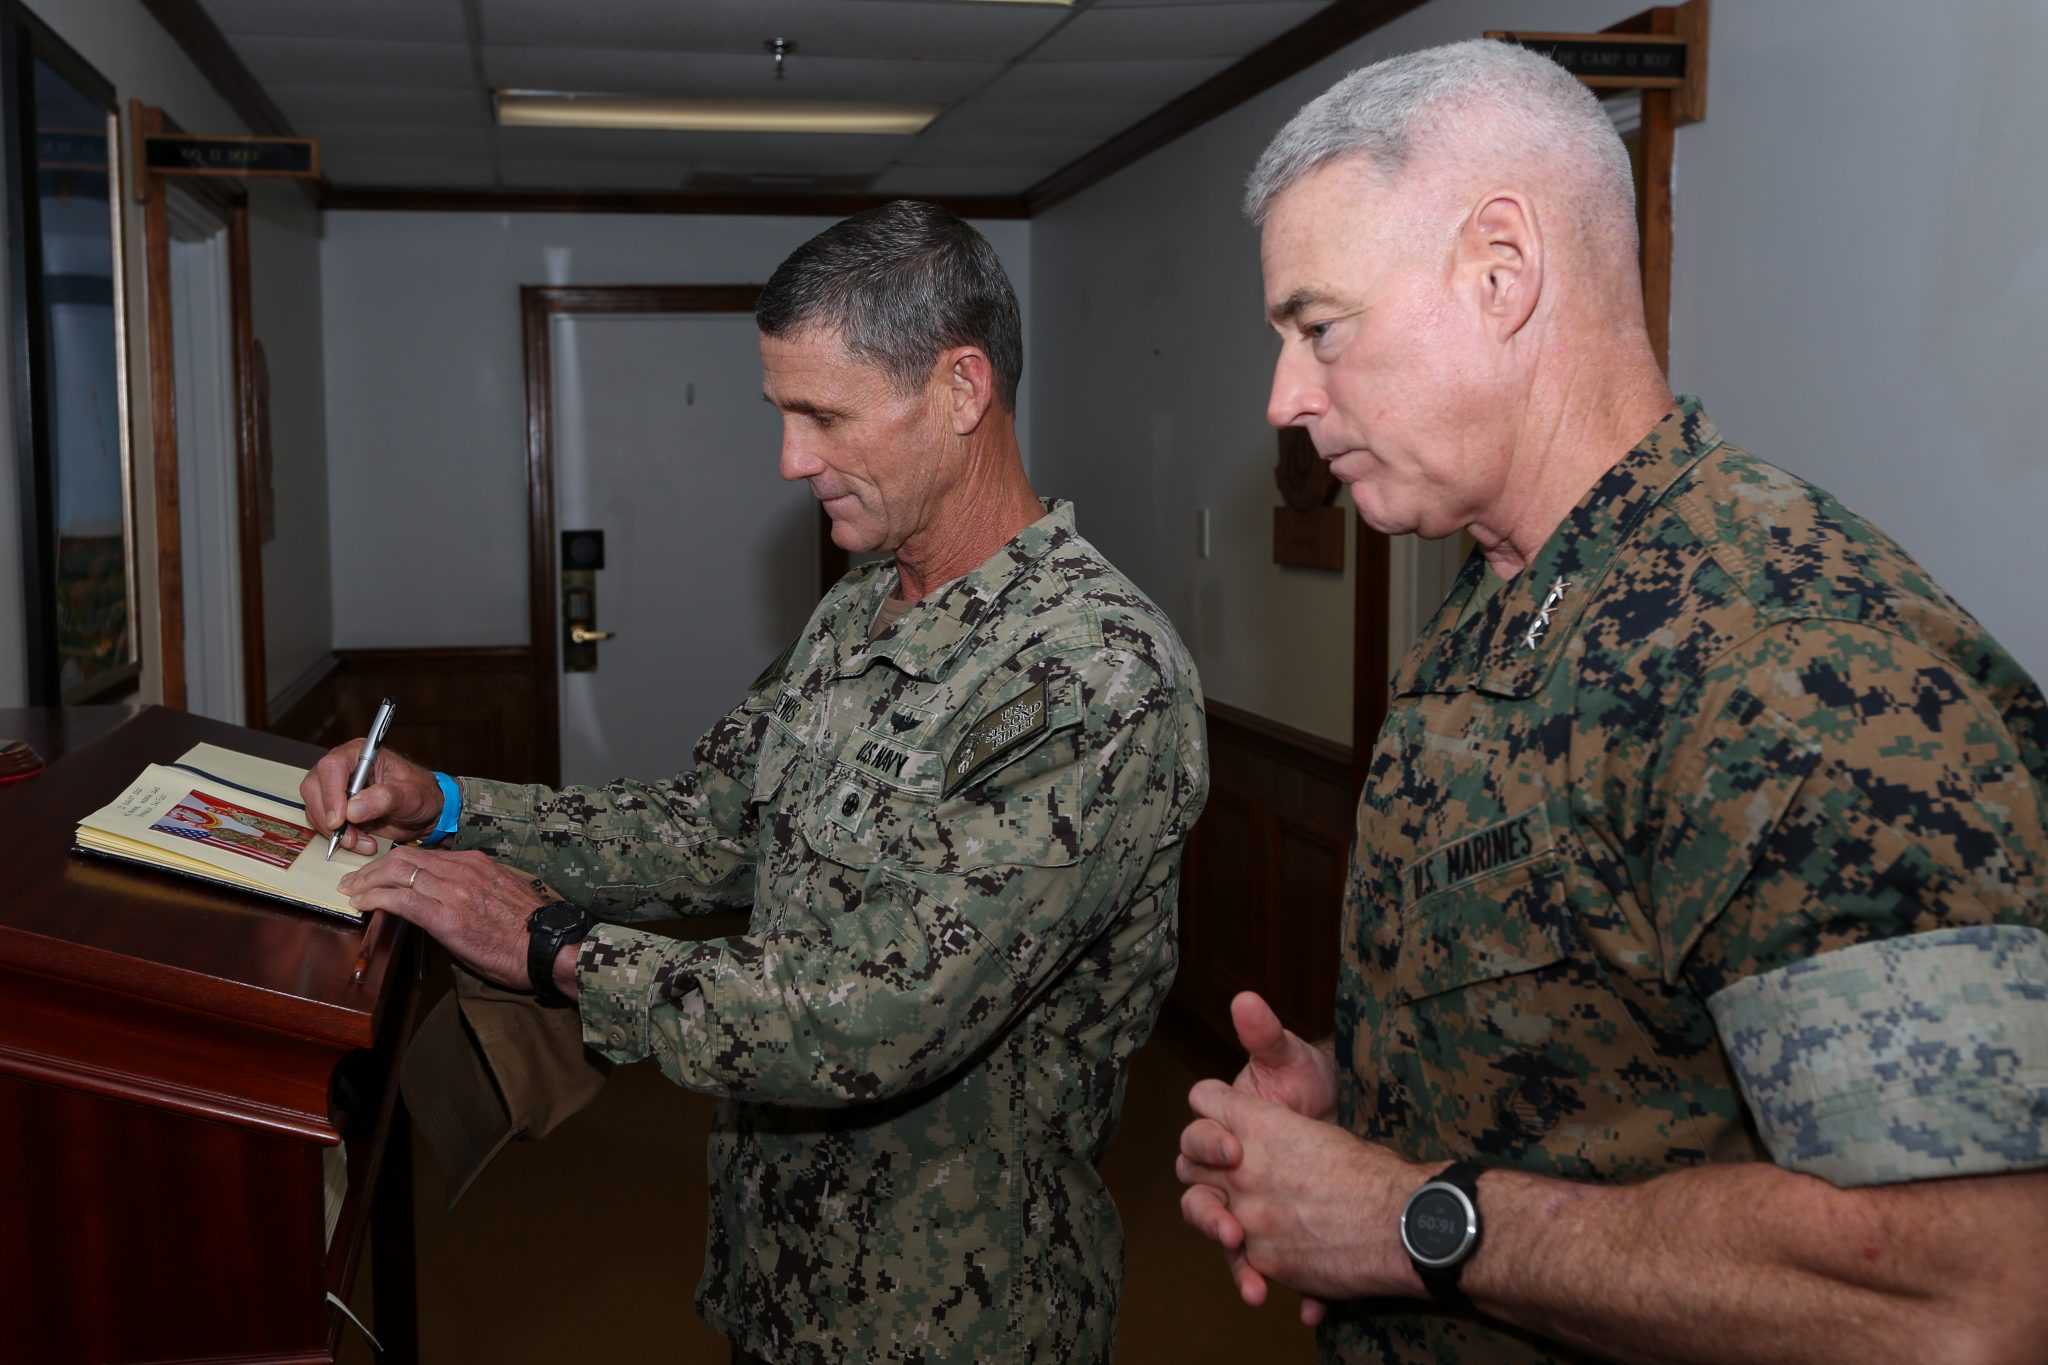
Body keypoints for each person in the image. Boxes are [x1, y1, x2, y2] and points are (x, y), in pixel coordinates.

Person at [1175, 38, 2048, 1365]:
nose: (1286, 400)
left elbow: (1973, 1290)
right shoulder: (1492, 616)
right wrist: (1363, 1109)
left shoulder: (1780, 657)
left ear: (1502, 270)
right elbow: (1626, 1064)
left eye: (1321, 328)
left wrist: (1410, 1218)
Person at [304, 201, 1208, 1364]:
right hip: (779, 1274)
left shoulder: (1093, 678)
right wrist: (454, 807)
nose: (790, 460)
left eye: (821, 414)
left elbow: (881, 1015)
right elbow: (709, 826)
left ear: (960, 389)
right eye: (782, 413)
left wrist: (557, 947)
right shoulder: (856, 609)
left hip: (956, 1316)